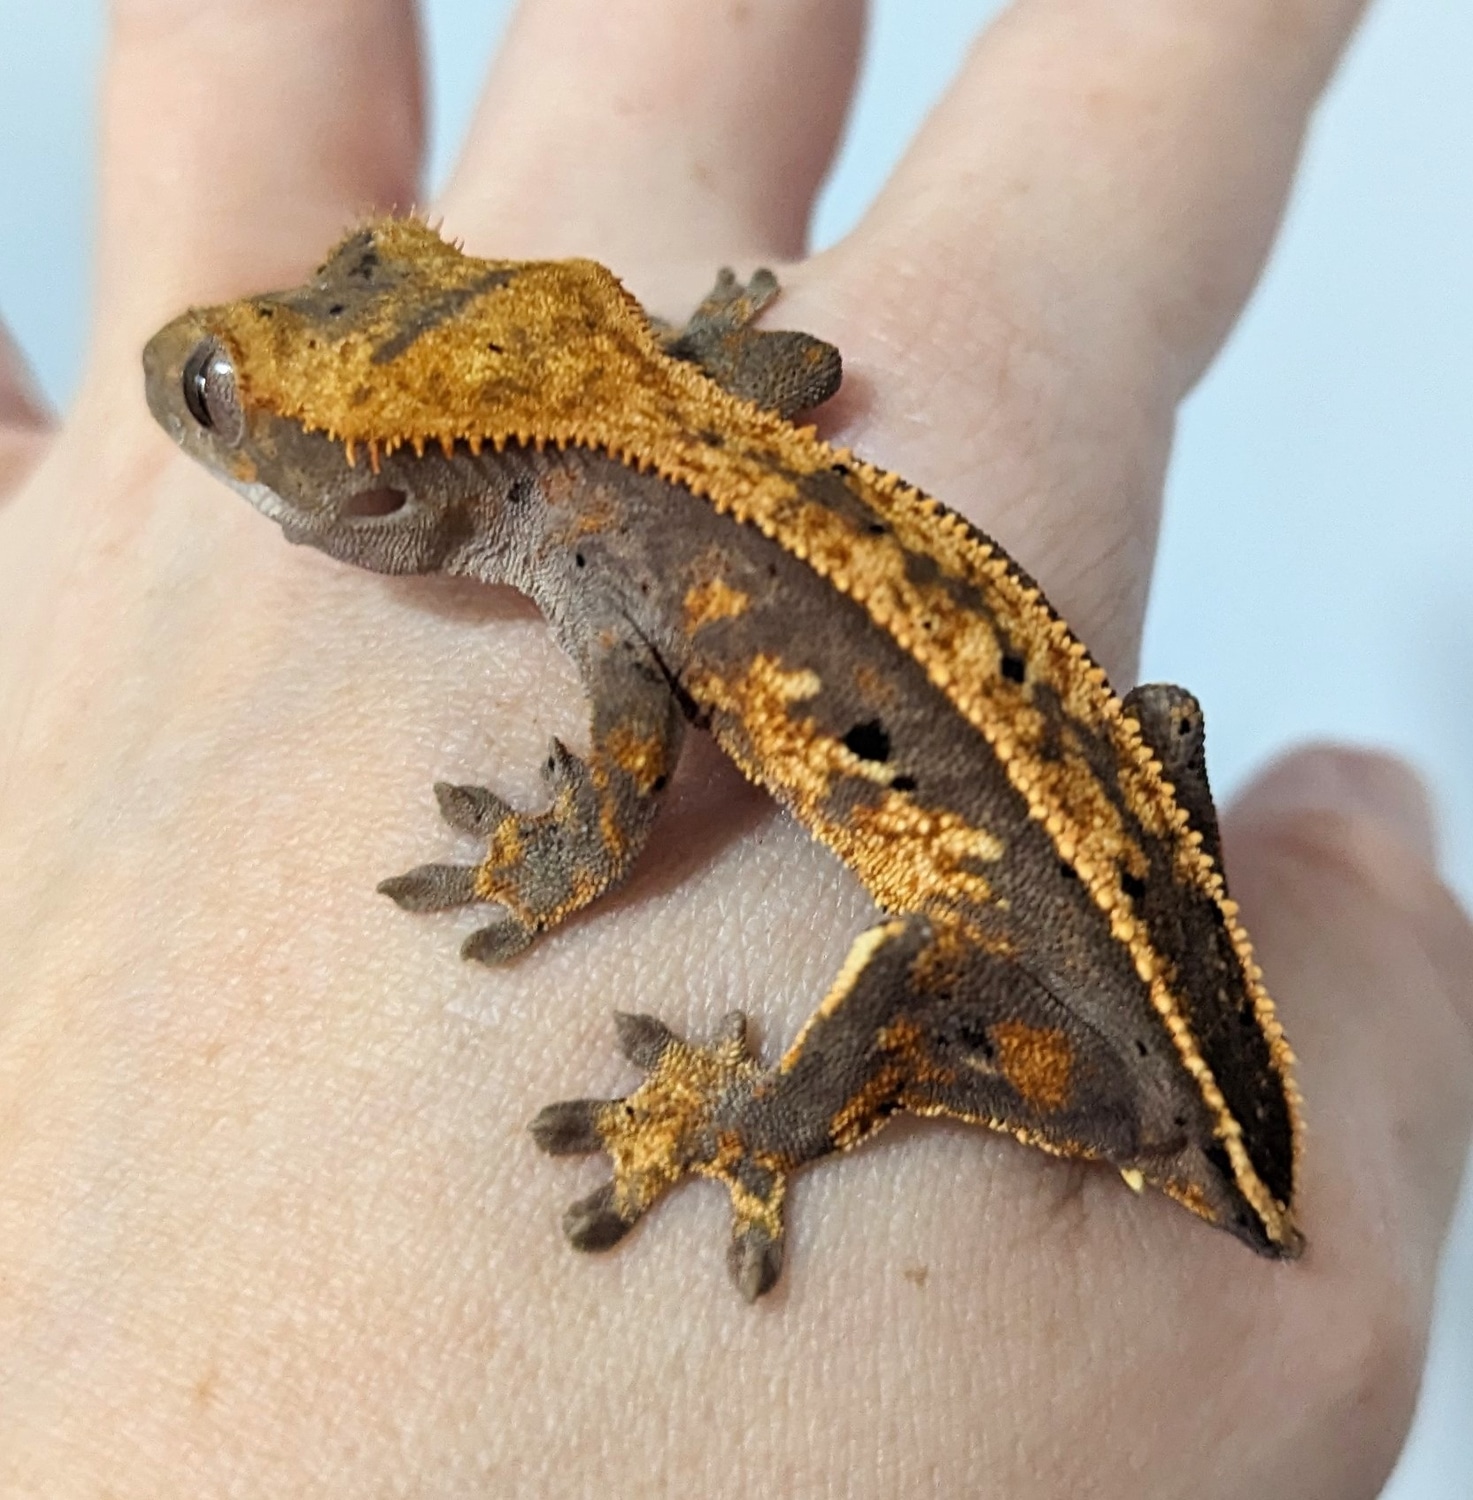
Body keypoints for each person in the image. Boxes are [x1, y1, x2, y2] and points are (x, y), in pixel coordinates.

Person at [1, 1, 1468, 1493]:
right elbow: (803, 363)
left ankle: (754, 1132)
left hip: (1127, 1071)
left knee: (914, 967)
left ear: (384, 492)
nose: (212, 386)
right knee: (1150, 740)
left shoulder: (604, 547)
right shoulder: (649, 453)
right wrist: (666, 362)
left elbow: (629, 770)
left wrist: (544, 866)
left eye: (230, 408)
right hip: (1106, 838)